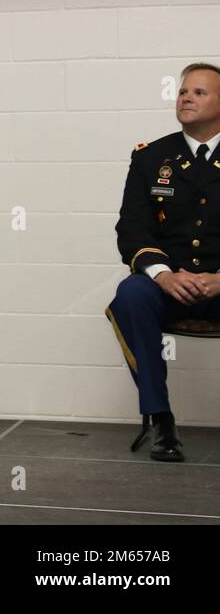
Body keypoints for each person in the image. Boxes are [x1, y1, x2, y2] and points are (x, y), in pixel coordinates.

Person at [107, 62, 220, 462]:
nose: (186, 97)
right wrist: (164, 275)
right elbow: (133, 230)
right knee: (131, 294)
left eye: (199, 92)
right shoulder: (152, 157)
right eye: (183, 92)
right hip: (170, 287)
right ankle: (161, 419)